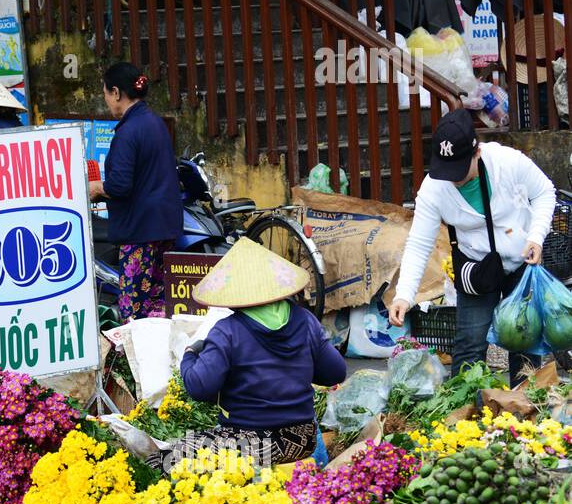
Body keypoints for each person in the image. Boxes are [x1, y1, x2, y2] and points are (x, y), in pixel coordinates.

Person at [388, 109, 554, 380]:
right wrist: (404, 295)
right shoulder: (434, 188)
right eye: (446, 169)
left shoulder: (506, 161)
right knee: (469, 343)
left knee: (524, 339)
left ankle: (527, 411)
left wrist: (536, 235)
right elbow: (419, 243)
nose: (452, 178)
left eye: (458, 169)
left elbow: (545, 192)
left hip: (522, 259)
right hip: (476, 269)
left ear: (476, 152)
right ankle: (464, 413)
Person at [174, 237, 347, 468]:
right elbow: (334, 373)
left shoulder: (227, 331)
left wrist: (189, 355)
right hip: (302, 441)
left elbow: (199, 388)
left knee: (172, 458)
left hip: (249, 445)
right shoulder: (306, 321)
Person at [87, 62, 182, 320]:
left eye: (106, 93)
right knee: (159, 303)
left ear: (116, 92)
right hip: (164, 228)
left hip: (140, 232)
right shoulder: (154, 123)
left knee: (134, 310)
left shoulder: (127, 132)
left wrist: (96, 188)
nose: (106, 100)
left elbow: (119, 184)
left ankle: (135, 359)